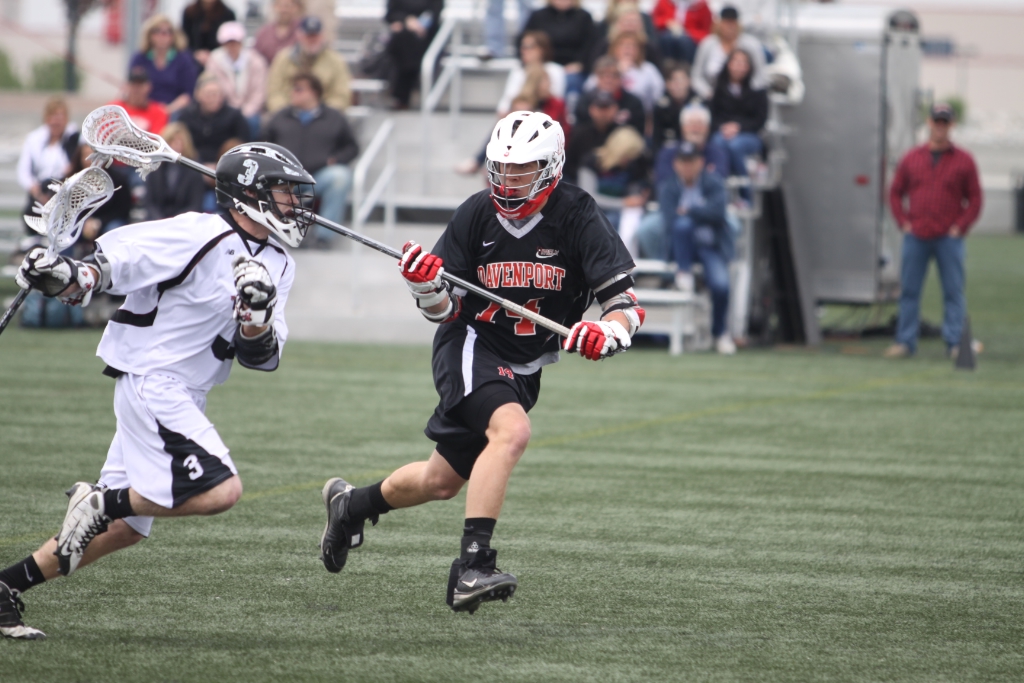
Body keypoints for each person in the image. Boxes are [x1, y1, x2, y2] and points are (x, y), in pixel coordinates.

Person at [317, 110, 645, 615]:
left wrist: (609, 332)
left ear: (552, 166)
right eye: (502, 168)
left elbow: (625, 303)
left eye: (522, 169)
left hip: (526, 364)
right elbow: (442, 310)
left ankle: (351, 506)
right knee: (511, 433)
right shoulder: (475, 214)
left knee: (440, 482)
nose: (509, 180)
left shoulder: (578, 215)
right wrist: (424, 285)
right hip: (470, 344)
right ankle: (473, 565)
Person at [0, 143, 315, 640]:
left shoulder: (279, 263)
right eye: (284, 192)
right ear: (250, 194)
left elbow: (262, 356)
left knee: (124, 528)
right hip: (155, 381)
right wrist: (65, 275)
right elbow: (109, 268)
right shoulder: (199, 232)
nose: (294, 204)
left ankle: (4, 587)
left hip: (187, 392)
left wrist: (254, 319)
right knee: (220, 490)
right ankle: (101, 501)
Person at [884, 103, 983, 359]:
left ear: (952, 126)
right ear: (929, 123)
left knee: (953, 291)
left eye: (945, 122)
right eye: (937, 122)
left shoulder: (964, 160)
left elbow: (975, 198)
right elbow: (895, 192)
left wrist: (960, 227)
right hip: (916, 234)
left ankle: (954, 343)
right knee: (909, 291)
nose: (940, 127)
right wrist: (902, 221)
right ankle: (905, 341)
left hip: (947, 237)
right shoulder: (912, 157)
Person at [262, 73, 359, 244]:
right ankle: (272, 233)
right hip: (284, 178)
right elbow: (262, 144)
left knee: (340, 176)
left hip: (318, 175)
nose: (293, 92)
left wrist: (335, 159)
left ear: (314, 92)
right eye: (293, 88)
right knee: (265, 180)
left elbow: (352, 147)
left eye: (299, 89)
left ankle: (323, 237)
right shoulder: (280, 117)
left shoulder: (334, 118)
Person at [659, 141, 734, 354]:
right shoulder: (669, 186)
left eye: (691, 161)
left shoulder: (713, 182)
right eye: (683, 162)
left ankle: (720, 332)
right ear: (676, 164)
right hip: (682, 247)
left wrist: (690, 210)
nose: (688, 166)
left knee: (721, 286)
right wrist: (700, 211)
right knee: (682, 226)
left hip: (710, 245)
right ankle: (683, 271)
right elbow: (670, 218)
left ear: (701, 162)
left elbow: (718, 212)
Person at [16, 97, 78, 236]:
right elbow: (23, 171)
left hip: (63, 193)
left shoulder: (73, 140)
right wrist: (36, 191)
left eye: (60, 117)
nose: (56, 122)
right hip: (40, 191)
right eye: (52, 117)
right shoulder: (35, 139)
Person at [267, 16, 352, 114]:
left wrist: (321, 113)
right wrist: (287, 114)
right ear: (299, 36)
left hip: (324, 119)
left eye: (315, 35)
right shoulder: (283, 58)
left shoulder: (336, 61)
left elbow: (341, 96)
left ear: (322, 36)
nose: (312, 40)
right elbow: (274, 92)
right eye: (308, 36)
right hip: (287, 116)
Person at [708, 49, 767, 179]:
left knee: (736, 146)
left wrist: (738, 127)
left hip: (749, 134)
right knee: (718, 142)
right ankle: (720, 184)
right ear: (728, 64)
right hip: (722, 131)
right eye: (736, 62)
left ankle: (745, 190)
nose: (739, 67)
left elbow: (760, 120)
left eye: (744, 63)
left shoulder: (757, 90)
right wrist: (723, 127)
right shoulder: (718, 88)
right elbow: (712, 115)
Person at [206, 21, 269, 138]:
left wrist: (246, 112)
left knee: (252, 123)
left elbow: (259, 92)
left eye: (235, 42)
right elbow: (214, 87)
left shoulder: (256, 61)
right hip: (224, 110)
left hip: (250, 112)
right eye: (228, 42)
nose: (232, 46)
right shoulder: (215, 60)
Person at [519, 0, 595, 95]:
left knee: (572, 82)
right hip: (543, 65)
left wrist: (580, 64)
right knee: (535, 79)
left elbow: (591, 45)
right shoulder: (538, 16)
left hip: (572, 68)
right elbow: (525, 41)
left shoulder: (584, 17)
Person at [691, 5, 766, 100]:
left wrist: (747, 94)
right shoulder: (707, 44)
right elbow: (696, 75)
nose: (730, 26)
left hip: (744, 98)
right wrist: (708, 93)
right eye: (727, 22)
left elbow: (761, 76)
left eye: (733, 22)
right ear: (719, 24)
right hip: (713, 97)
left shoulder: (751, 45)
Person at [128, 15, 199, 115]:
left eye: (167, 32)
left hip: (174, 110)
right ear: (149, 34)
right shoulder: (139, 58)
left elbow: (188, 94)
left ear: (174, 36)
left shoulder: (183, 59)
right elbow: (132, 87)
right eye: (157, 31)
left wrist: (166, 110)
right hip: (144, 109)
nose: (162, 36)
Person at [179, 74, 252, 165]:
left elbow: (244, 146)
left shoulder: (235, 117)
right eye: (208, 94)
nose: (213, 98)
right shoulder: (186, 117)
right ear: (198, 94)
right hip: (192, 166)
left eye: (216, 94)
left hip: (227, 166)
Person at [591, 30, 664, 120]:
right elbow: (590, 88)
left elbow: (658, 94)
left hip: (639, 114)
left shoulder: (648, 69)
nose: (628, 49)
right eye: (623, 45)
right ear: (615, 48)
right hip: (605, 114)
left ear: (639, 50)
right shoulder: (605, 66)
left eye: (633, 46)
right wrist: (618, 71)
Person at [385, 0, 444, 109]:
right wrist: (405, 21)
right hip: (402, 35)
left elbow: (435, 12)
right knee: (402, 40)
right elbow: (390, 14)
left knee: (409, 44)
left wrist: (418, 25)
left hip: (427, 35)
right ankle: (403, 94)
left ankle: (402, 95)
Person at [145, 123, 209, 220]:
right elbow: (150, 201)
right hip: (158, 221)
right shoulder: (155, 168)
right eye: (172, 141)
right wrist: (159, 220)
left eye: (180, 141)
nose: (176, 145)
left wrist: (176, 221)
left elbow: (195, 203)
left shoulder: (194, 169)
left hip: (184, 222)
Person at [496, 30, 566, 116]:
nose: (523, 50)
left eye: (528, 47)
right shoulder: (518, 70)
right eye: (522, 47)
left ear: (541, 49)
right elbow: (505, 103)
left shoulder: (554, 70)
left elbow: (558, 101)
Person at [574, 56, 645, 135]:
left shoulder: (633, 103)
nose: (608, 80)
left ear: (621, 77)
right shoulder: (585, 101)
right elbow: (578, 132)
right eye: (603, 74)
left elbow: (638, 135)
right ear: (596, 77)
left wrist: (614, 120)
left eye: (614, 75)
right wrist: (597, 121)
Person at [564, 89, 620, 184]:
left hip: (615, 183)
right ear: (591, 109)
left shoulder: (621, 134)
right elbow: (569, 165)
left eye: (607, 107)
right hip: (581, 182)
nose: (603, 112)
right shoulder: (580, 133)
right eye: (600, 107)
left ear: (615, 109)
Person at [651, 62, 697, 152]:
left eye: (681, 80)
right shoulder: (661, 106)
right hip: (668, 149)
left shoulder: (699, 104)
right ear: (667, 84)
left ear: (689, 81)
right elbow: (656, 138)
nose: (677, 85)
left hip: (694, 150)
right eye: (673, 81)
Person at [110, 66, 170, 135]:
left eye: (140, 85)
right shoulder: (114, 109)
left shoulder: (158, 112)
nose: (136, 89)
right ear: (127, 86)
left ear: (149, 86)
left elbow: (156, 140)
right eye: (133, 84)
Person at [651, 0, 712, 64]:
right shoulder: (664, 2)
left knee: (683, 42)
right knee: (666, 39)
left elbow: (706, 34)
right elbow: (653, 21)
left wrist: (687, 32)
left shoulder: (702, 7)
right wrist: (667, 23)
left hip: (690, 43)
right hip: (666, 38)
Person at [181, 0, 237, 67]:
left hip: (220, 61)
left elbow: (232, 41)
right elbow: (183, 39)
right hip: (193, 59)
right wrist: (195, 53)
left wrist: (214, 55)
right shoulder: (189, 12)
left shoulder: (228, 14)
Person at [254, 0, 304, 65]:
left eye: (287, 6)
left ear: (296, 7)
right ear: (274, 7)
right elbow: (255, 57)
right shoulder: (264, 33)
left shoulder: (303, 30)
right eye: (280, 5)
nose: (284, 10)